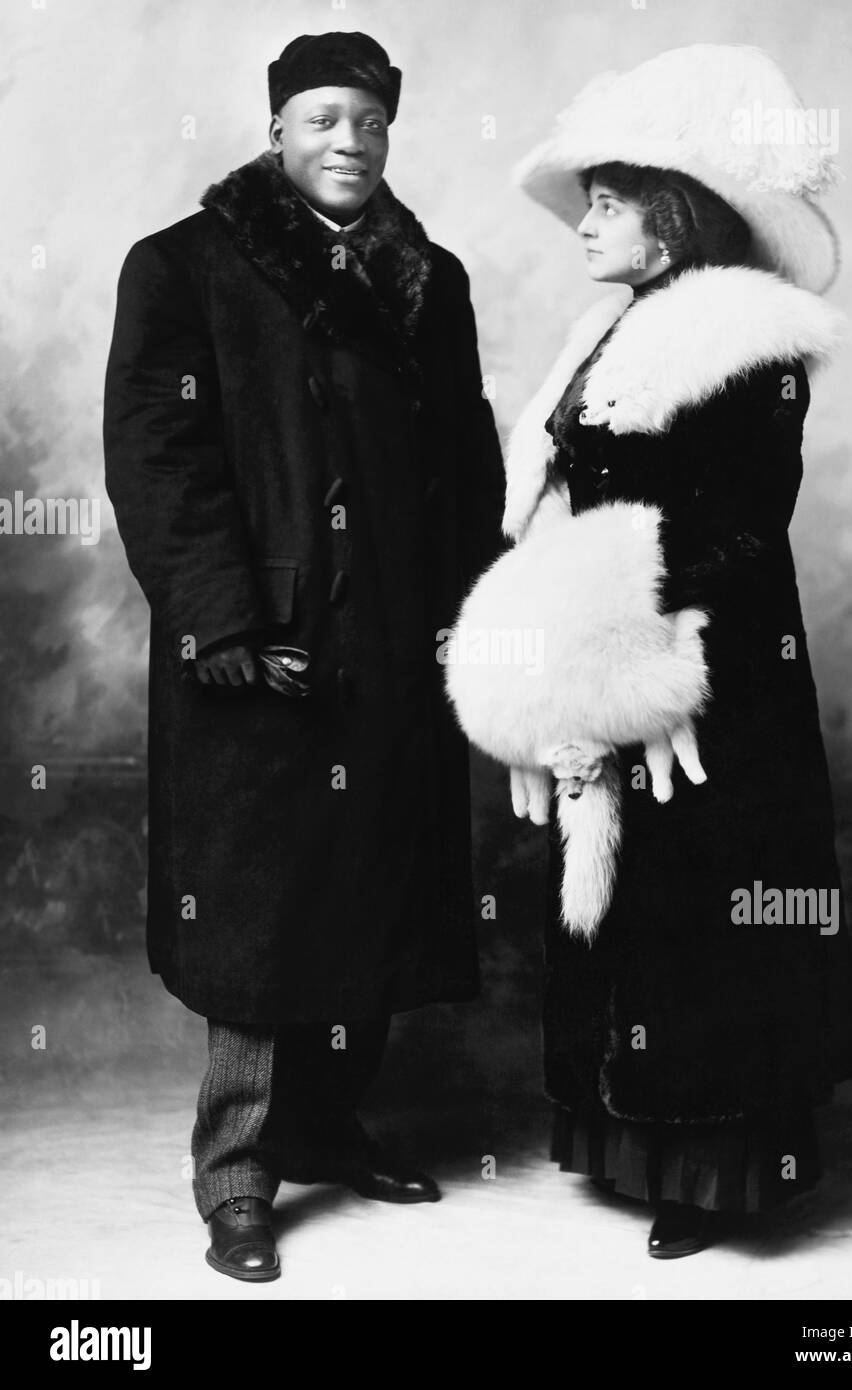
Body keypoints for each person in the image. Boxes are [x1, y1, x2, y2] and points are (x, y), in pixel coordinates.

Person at [103, 31, 504, 1282]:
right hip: (265, 648)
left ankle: (329, 1124)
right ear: (276, 129)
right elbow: (157, 459)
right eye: (323, 118)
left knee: (371, 889)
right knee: (258, 917)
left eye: (369, 121)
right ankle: (236, 1176)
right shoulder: (183, 265)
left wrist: (472, 609)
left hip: (394, 642)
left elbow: (467, 457)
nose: (349, 140)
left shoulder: (428, 277)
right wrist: (222, 623)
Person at [500, 44, 852, 1257]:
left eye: (608, 203)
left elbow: (743, 524)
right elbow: (559, 498)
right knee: (623, 896)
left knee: (708, 900)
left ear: (671, 219)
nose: (584, 224)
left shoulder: (748, 343)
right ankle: (626, 1133)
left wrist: (637, 630)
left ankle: (715, 1165)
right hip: (601, 645)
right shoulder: (601, 334)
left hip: (715, 657)